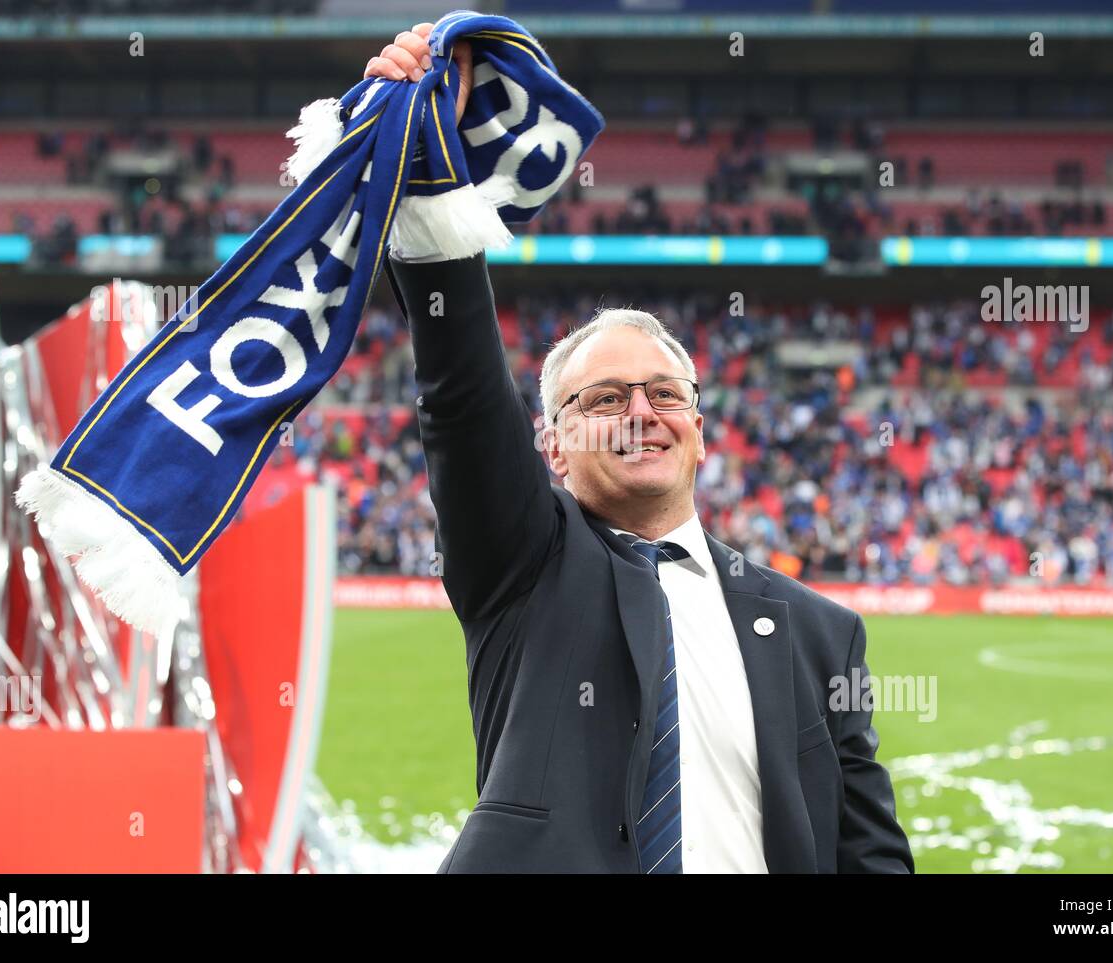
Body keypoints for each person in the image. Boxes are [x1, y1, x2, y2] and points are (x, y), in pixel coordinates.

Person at [369, 22, 913, 874]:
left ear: (700, 431)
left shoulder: (820, 632)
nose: (641, 412)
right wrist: (426, 156)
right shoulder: (524, 564)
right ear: (553, 445)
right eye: (604, 398)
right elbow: (463, 394)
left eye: (665, 394)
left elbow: (870, 856)